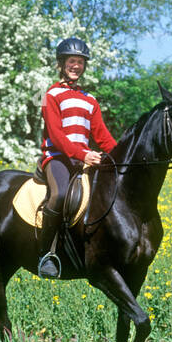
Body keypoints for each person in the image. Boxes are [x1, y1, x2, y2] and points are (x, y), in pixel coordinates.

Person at [36, 37, 117, 278]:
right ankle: (45, 255)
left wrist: (121, 155)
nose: (76, 66)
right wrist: (83, 154)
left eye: (80, 62)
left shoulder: (90, 99)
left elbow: (102, 137)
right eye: (72, 61)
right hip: (58, 158)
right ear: (61, 64)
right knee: (60, 194)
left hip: (83, 160)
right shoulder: (50, 95)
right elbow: (57, 136)